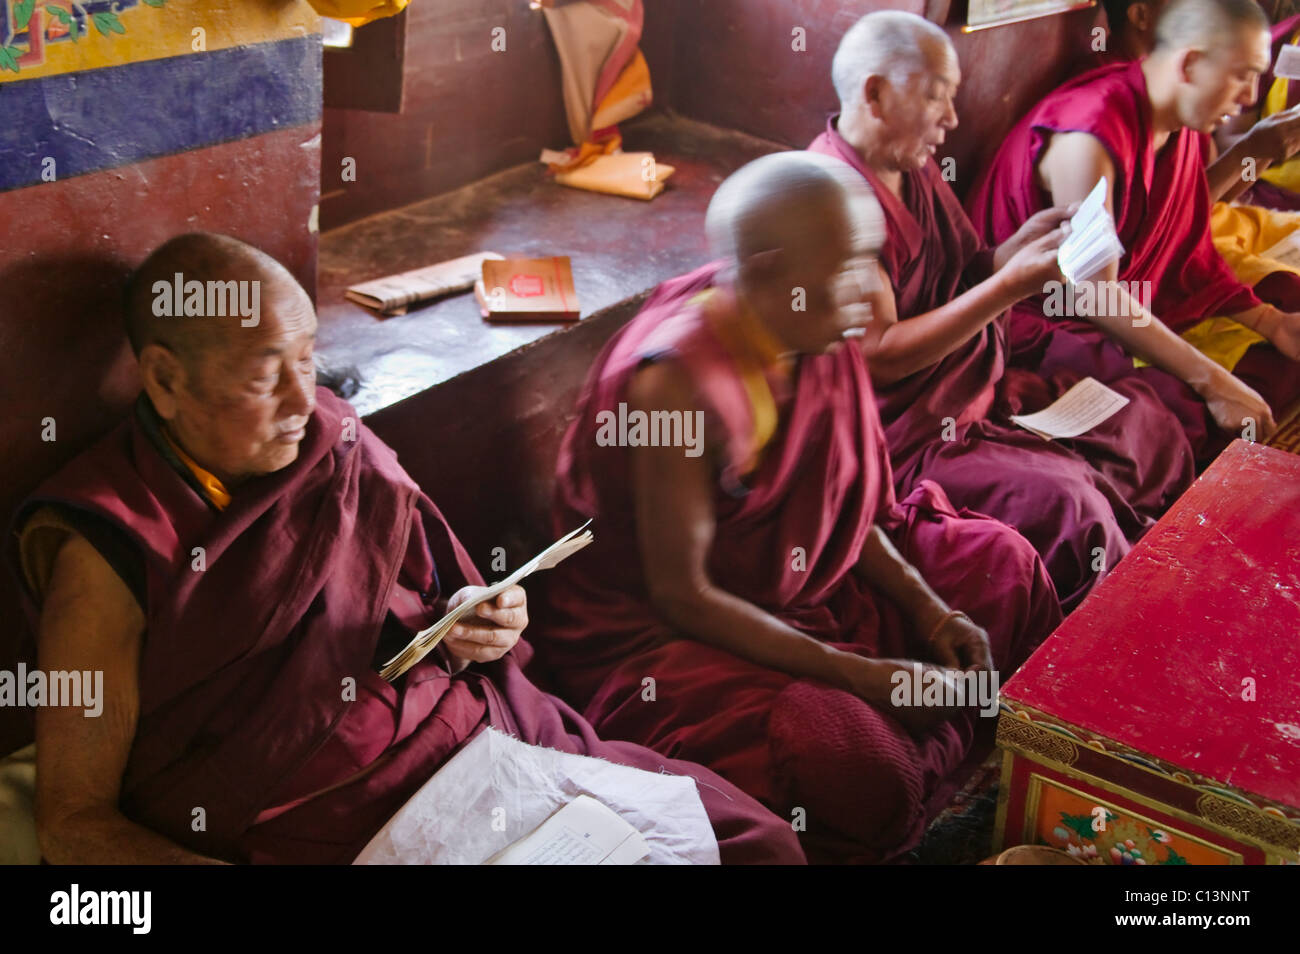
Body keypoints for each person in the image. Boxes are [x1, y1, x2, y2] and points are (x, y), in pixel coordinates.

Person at [10, 233, 804, 865]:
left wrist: (468, 624)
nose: (302, 400)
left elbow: (428, 605)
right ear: (163, 379)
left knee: (752, 841)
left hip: (481, 746)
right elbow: (74, 824)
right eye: (264, 378)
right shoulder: (108, 543)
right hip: (336, 826)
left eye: (306, 360)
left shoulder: (335, 443)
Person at [533, 152, 1063, 864]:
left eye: (872, 264)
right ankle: (914, 748)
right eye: (847, 269)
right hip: (664, 639)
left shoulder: (811, 330)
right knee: (857, 771)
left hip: (804, 590)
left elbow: (846, 506)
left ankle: (924, 733)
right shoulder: (674, 383)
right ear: (771, 270)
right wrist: (861, 675)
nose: (870, 297)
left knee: (1006, 569)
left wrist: (930, 608)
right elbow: (681, 595)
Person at [807, 11, 1196, 610]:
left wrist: (1014, 250)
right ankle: (1081, 669)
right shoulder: (835, 197)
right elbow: (879, 357)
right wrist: (1011, 285)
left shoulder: (910, 162)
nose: (953, 120)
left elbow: (968, 271)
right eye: (938, 98)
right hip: (908, 443)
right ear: (876, 95)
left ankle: (1147, 589)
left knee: (1147, 422)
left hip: (977, 391)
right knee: (1076, 509)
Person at [969, 0, 1300, 459]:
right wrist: (1215, 381)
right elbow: (1091, 293)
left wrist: (1272, 323)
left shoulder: (1176, 125)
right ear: (1190, 63)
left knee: (1278, 332)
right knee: (1176, 420)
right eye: (1242, 75)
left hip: (1111, 308)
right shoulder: (1090, 135)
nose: (1248, 97)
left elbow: (1184, 247)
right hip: (1034, 321)